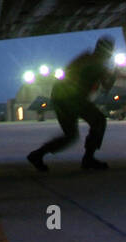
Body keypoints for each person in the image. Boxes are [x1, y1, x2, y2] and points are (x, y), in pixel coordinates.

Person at [27, 36, 116, 171]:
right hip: (72, 99)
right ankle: (88, 159)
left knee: (71, 135)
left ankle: (37, 154)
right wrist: (114, 75)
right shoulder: (97, 64)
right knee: (98, 121)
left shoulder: (85, 57)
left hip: (60, 96)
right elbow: (106, 86)